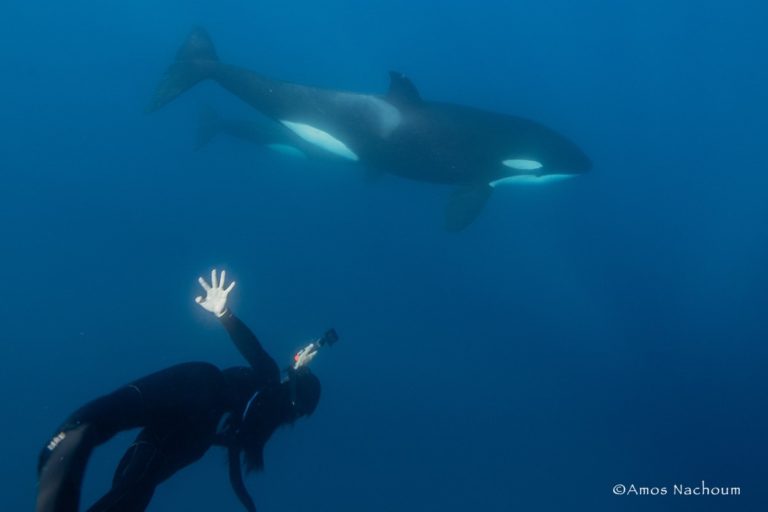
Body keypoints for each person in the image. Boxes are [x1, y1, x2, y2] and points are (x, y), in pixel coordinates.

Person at [36, 269, 336, 512]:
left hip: (197, 388)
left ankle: (61, 460)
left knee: (95, 427)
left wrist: (223, 313)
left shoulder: (268, 384)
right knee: (133, 488)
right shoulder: (253, 437)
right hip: (193, 434)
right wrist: (298, 371)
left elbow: (254, 351)